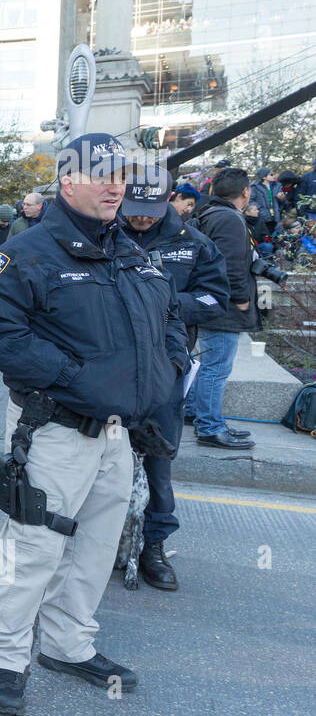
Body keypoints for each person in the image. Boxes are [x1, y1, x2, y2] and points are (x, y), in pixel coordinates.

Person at [0, 133, 189, 716]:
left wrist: (168, 370)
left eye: (122, 175)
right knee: (35, 546)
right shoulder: (27, 252)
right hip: (57, 429)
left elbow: (169, 316)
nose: (117, 186)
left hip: (120, 435)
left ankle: (67, 644)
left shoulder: (130, 251)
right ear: (67, 181)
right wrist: (75, 378)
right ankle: (5, 657)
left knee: (95, 547)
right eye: (102, 175)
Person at [120, 165, 229, 590]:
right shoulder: (104, 233)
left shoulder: (194, 243)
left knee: (159, 462)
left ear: (168, 201)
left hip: (166, 366)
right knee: (98, 461)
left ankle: (153, 545)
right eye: (134, 209)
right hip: (110, 367)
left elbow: (215, 298)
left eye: (149, 209)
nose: (140, 218)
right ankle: (103, 542)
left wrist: (159, 302)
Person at [185, 168, 258, 450]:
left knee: (203, 364)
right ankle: (210, 427)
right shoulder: (228, 219)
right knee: (216, 367)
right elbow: (231, 264)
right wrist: (241, 298)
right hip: (223, 306)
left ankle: (194, 413)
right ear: (245, 192)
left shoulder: (205, 215)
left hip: (205, 300)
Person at [249, 168, 280, 234]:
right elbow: (250, 200)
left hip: (276, 217)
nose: (273, 176)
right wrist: (260, 208)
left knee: (276, 236)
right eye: (271, 174)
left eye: (273, 174)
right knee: (266, 237)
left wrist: (282, 198)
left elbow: (283, 202)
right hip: (263, 217)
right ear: (264, 177)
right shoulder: (254, 187)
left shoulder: (277, 186)